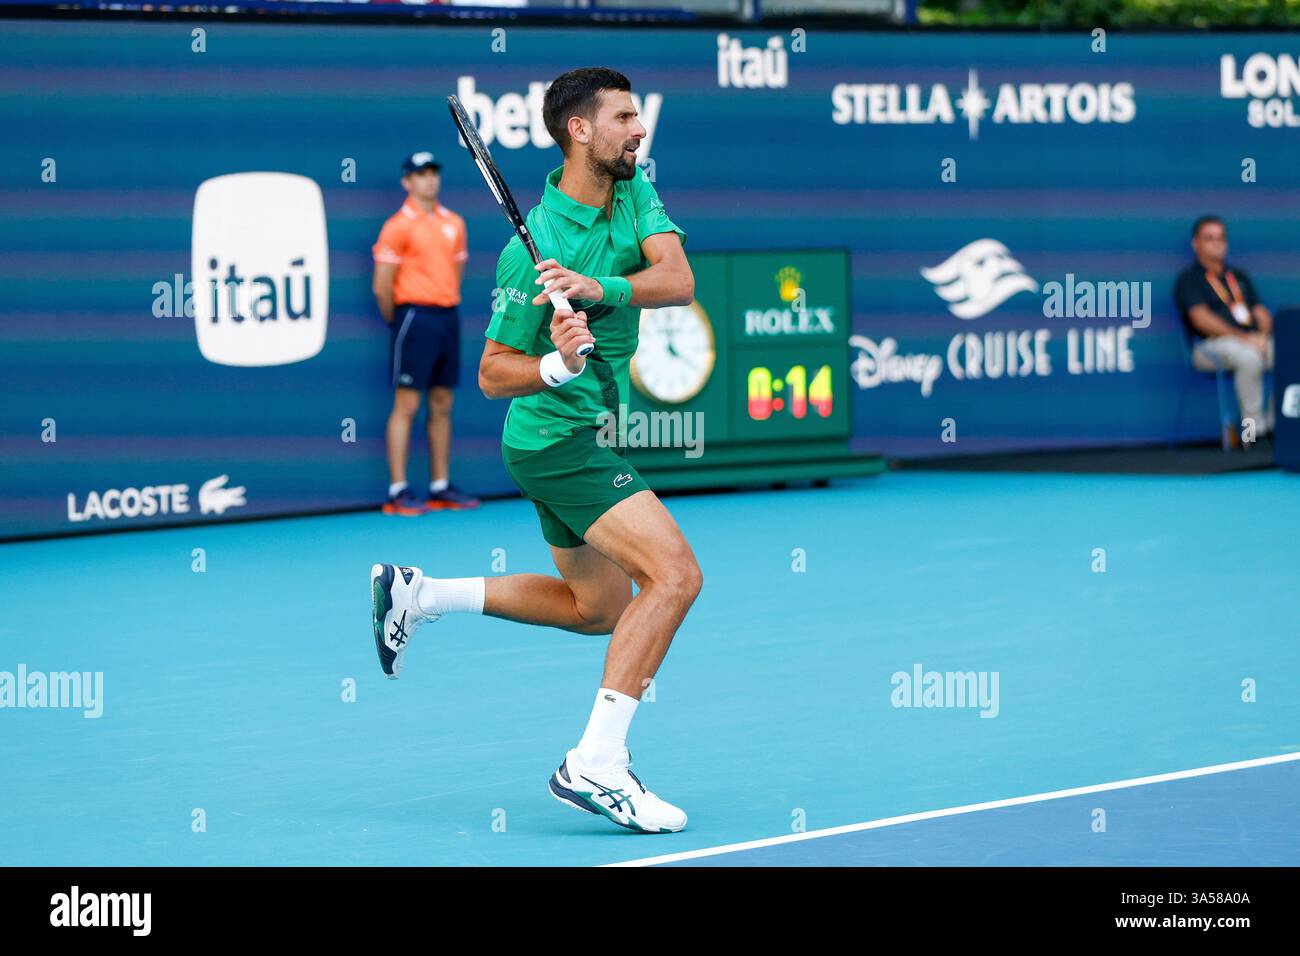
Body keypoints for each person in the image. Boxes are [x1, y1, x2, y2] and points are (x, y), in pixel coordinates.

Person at [369, 68, 700, 833]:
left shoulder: (633, 191)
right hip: (555, 440)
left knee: (597, 608)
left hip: (577, 433)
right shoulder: (530, 252)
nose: (638, 129)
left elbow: (676, 279)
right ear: (579, 130)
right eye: (623, 118)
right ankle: (596, 763)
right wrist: (557, 364)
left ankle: (419, 596)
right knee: (676, 576)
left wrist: (597, 289)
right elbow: (491, 373)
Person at [372, 150, 480, 515]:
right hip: (412, 317)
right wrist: (400, 319)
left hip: (447, 317)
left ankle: (439, 485)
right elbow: (382, 288)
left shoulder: (455, 223)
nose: (429, 179)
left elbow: (455, 274)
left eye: (433, 172)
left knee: (442, 403)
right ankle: (398, 490)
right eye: (421, 174)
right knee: (407, 404)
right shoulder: (396, 225)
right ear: (407, 181)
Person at [1174, 215, 1275, 439]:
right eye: (1209, 238)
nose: (1217, 242)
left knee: (1289, 355)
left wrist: (1261, 335)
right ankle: (1254, 433)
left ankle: (1277, 426)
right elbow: (1201, 319)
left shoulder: (1238, 276)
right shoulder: (1190, 279)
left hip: (1251, 339)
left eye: (1221, 237)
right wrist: (1245, 338)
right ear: (1196, 244)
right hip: (1209, 347)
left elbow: (1260, 312)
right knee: (1249, 357)